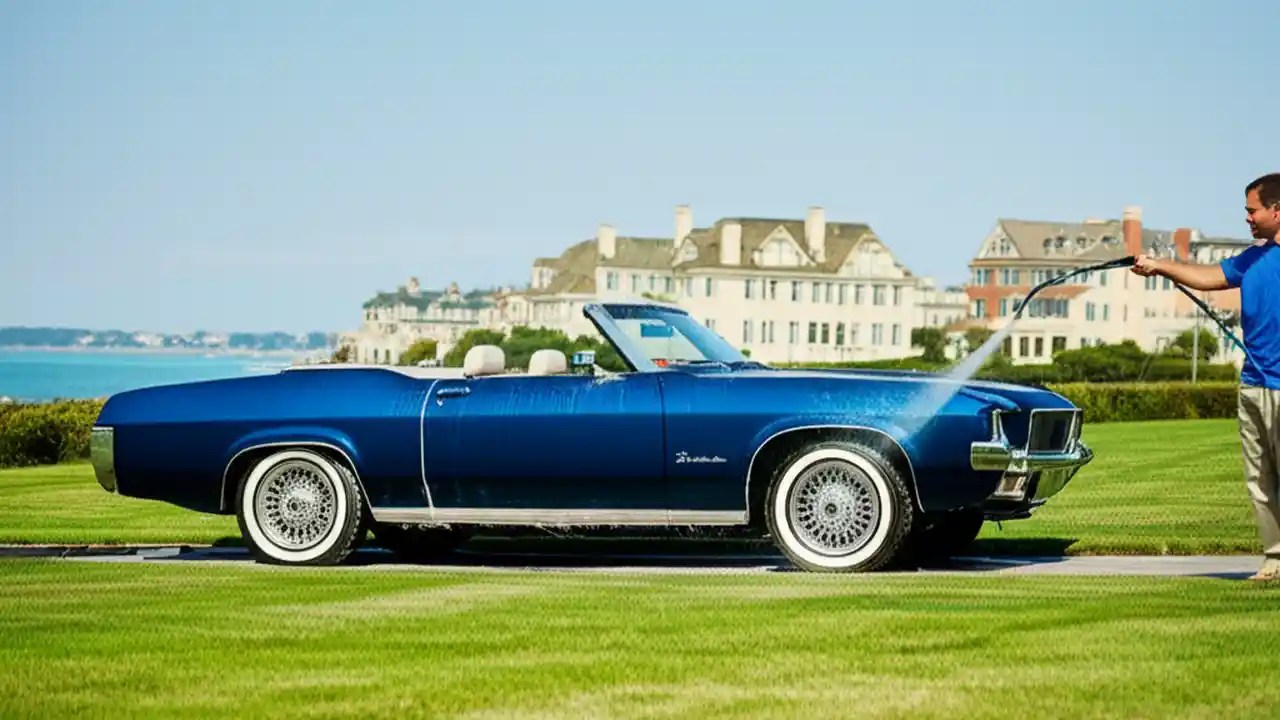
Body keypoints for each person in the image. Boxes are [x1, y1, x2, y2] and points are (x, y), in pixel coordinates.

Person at [1131, 172, 1280, 580]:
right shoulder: (1253, 259)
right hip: (1253, 384)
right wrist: (1159, 266)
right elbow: (1208, 278)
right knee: (1259, 478)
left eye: (1253, 210)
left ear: (1277, 210)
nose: (1247, 217)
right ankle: (1275, 560)